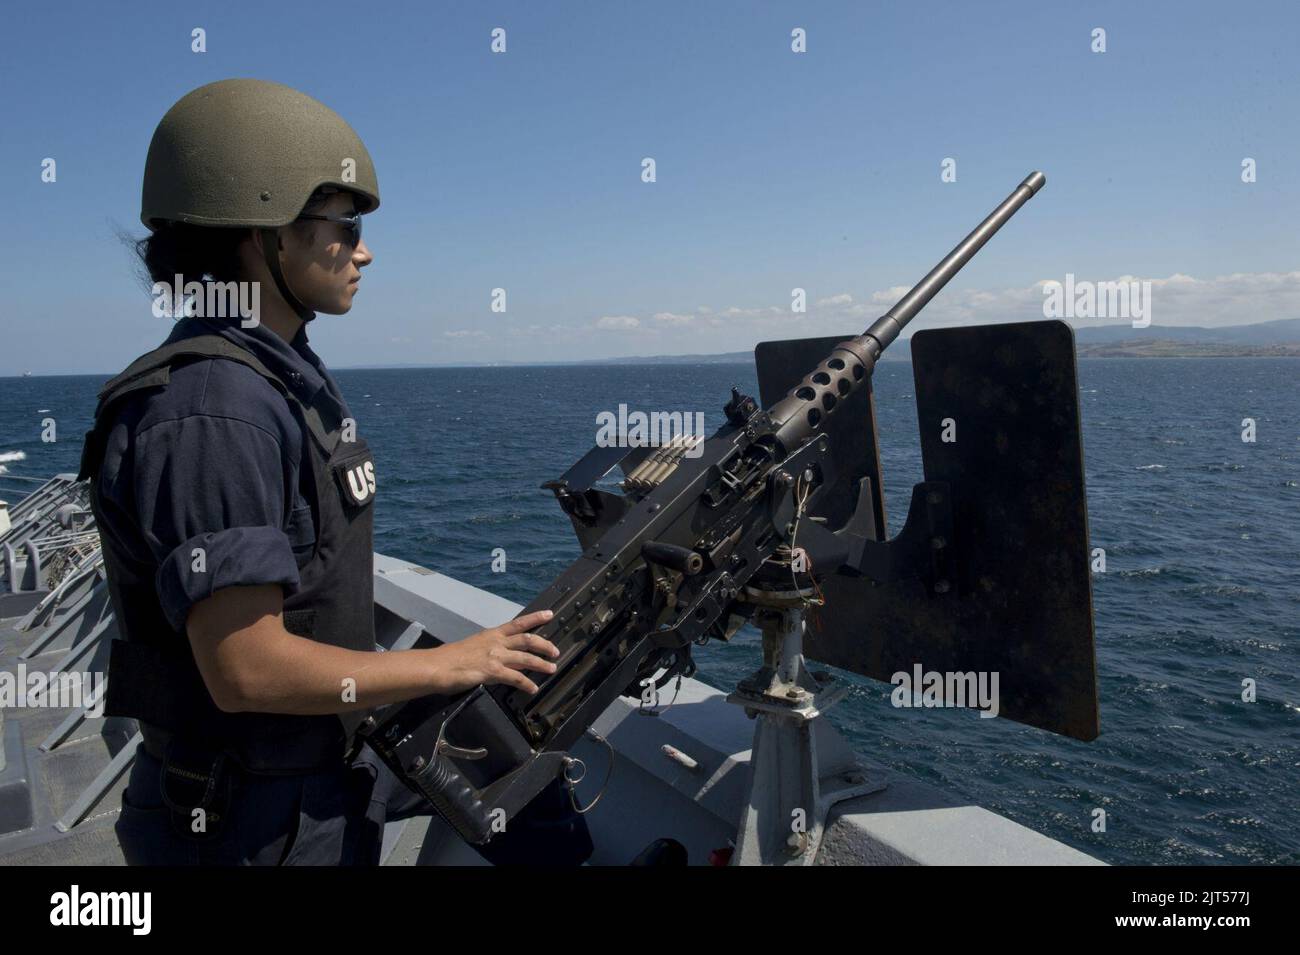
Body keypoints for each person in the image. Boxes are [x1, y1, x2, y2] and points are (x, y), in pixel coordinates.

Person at [78, 78, 592, 865]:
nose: (364, 248)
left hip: (302, 792)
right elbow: (245, 669)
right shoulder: (216, 409)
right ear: (263, 230)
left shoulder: (275, 377)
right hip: (247, 824)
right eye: (343, 224)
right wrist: (450, 660)